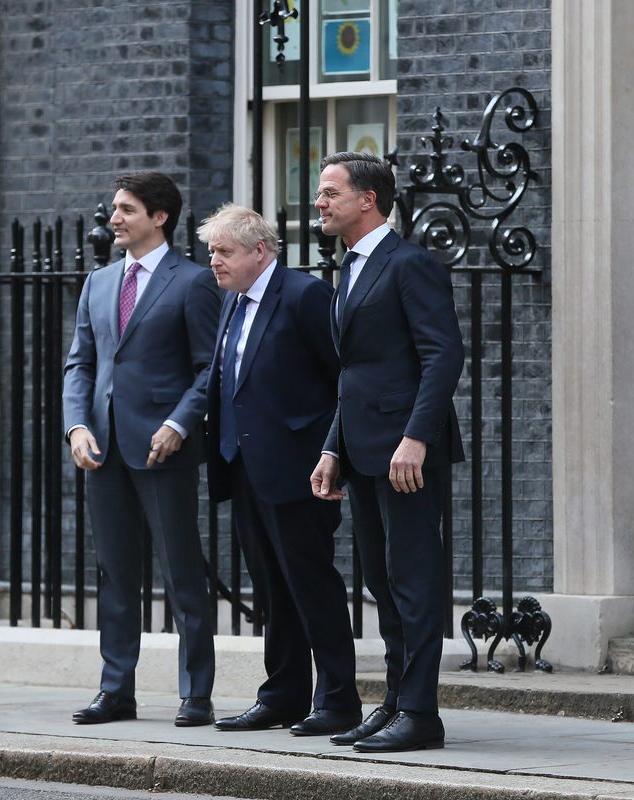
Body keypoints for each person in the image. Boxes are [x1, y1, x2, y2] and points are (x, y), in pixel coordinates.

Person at [309, 152, 464, 753]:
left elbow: (443, 355)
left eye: (329, 192)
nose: (319, 202)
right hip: (364, 446)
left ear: (366, 199)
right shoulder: (348, 268)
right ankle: (397, 700)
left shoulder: (411, 264)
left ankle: (422, 713)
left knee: (414, 580)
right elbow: (356, 371)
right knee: (380, 579)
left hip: (407, 453)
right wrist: (332, 447)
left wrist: (416, 438)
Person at [62, 171, 220, 727]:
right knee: (115, 573)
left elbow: (209, 368)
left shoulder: (193, 282)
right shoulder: (98, 282)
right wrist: (76, 426)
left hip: (162, 451)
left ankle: (196, 693)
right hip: (102, 448)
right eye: (115, 208)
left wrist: (179, 423)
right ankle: (115, 690)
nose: (115, 217)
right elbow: (80, 363)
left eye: (126, 209)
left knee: (181, 574)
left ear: (159, 217)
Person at [200, 204, 362, 737]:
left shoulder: (303, 294)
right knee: (271, 589)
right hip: (244, 464)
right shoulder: (233, 301)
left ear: (260, 251)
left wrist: (332, 453)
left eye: (224, 251)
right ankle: (283, 695)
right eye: (211, 252)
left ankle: (337, 700)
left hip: (299, 468)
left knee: (310, 584)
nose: (214, 262)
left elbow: (343, 378)